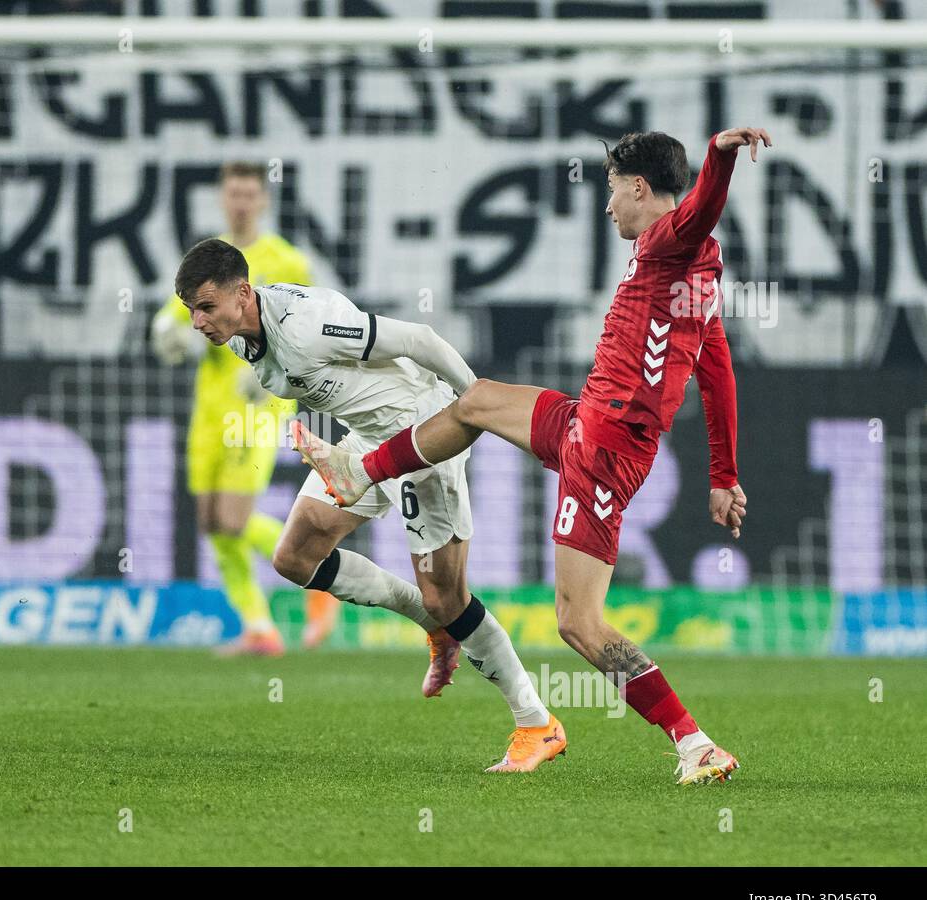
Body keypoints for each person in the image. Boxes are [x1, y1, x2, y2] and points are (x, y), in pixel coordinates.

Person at [295, 128, 771, 785]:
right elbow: (717, 370)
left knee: (579, 622)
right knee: (477, 400)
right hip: (584, 420)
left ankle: (694, 742)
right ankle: (360, 471)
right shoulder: (693, 272)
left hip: (608, 448)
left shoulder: (670, 238)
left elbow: (700, 208)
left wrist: (718, 154)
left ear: (638, 187)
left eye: (610, 190)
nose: (607, 207)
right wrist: (722, 475)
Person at [174, 237, 566, 773]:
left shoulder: (307, 325)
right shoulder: (242, 337)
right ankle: (432, 626)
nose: (197, 321)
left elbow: (418, 339)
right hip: (366, 442)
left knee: (448, 597)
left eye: (205, 307)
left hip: (423, 436)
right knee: (295, 556)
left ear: (243, 293)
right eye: (190, 310)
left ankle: (536, 722)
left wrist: (474, 402)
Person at [153, 162, 338, 656]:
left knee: (234, 519)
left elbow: (310, 325)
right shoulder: (207, 257)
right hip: (209, 403)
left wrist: (274, 371)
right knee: (212, 519)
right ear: (223, 197)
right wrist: (165, 333)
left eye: (249, 193)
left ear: (263, 200)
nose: (240, 202)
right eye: (233, 192)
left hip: (257, 403)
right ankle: (259, 627)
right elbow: (176, 317)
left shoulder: (287, 261)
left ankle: (321, 576)